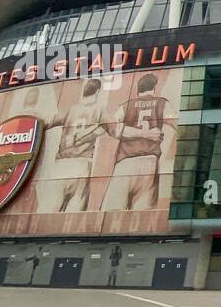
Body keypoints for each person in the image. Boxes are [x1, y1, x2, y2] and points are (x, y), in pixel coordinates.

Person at [101, 73, 170, 212]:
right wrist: (148, 134)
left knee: (112, 214)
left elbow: (112, 128)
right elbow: (180, 123)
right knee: (142, 216)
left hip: (125, 161)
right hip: (150, 162)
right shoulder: (162, 103)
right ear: (154, 88)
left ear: (138, 89)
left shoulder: (126, 106)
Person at [39, 79, 105, 213]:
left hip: (61, 164)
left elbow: (47, 121)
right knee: (71, 217)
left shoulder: (71, 110)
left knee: (47, 213)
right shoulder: (99, 111)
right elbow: (109, 128)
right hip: (82, 163)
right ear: (97, 92)